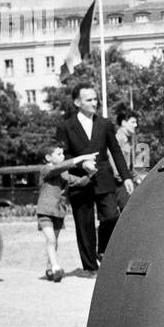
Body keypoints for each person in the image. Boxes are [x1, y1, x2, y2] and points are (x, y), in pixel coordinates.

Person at [55, 84, 132, 273]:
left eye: (95, 99)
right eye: (89, 99)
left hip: (104, 179)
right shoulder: (65, 126)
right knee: (84, 225)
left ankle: (103, 250)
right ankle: (90, 267)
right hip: (79, 181)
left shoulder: (104, 123)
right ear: (77, 102)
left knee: (112, 217)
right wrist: (81, 164)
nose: (94, 103)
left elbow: (115, 150)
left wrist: (126, 177)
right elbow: (62, 156)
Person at [35, 144, 93, 281]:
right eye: (59, 154)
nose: (62, 156)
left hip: (59, 212)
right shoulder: (45, 170)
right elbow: (60, 167)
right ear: (48, 157)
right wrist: (82, 158)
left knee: (54, 242)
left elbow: (79, 182)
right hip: (45, 211)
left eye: (63, 153)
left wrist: (91, 174)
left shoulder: (64, 174)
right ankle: (56, 267)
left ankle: (49, 269)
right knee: (51, 240)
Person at [112, 104, 140, 215]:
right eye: (133, 122)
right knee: (129, 213)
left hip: (128, 181)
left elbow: (135, 166)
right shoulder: (117, 140)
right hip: (120, 184)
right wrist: (125, 179)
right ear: (123, 123)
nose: (136, 125)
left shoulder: (130, 141)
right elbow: (115, 168)